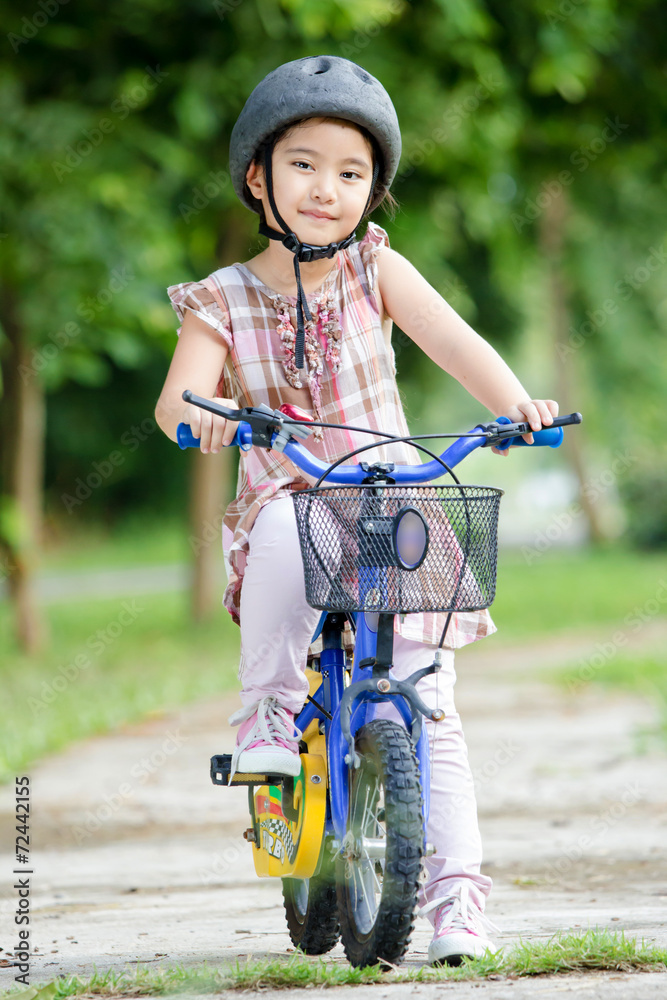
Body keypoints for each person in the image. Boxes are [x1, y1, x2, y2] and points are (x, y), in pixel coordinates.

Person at [155, 55, 558, 966]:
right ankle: (266, 716)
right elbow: (177, 398)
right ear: (258, 177)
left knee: (431, 705)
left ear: (374, 191)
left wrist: (515, 403)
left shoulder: (376, 268)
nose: (325, 189)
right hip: (292, 494)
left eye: (350, 172)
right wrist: (199, 422)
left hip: (389, 498)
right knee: (275, 536)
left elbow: (453, 340)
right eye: (302, 165)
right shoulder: (219, 299)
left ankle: (457, 899)